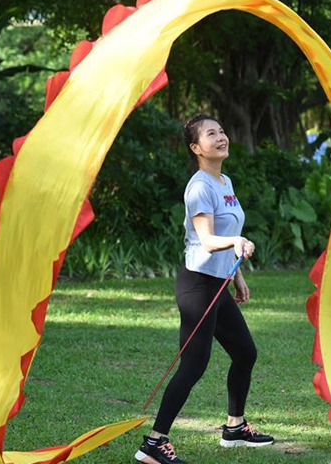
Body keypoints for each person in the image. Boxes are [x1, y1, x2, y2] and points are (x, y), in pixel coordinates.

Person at [135, 115, 274, 464]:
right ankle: (154, 443)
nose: (222, 137)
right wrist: (238, 241)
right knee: (193, 366)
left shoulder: (224, 181)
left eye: (223, 131)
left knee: (245, 353)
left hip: (217, 284)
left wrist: (236, 276)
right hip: (197, 286)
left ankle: (234, 427)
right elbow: (208, 240)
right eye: (212, 134)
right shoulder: (200, 186)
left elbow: (224, 241)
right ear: (196, 148)